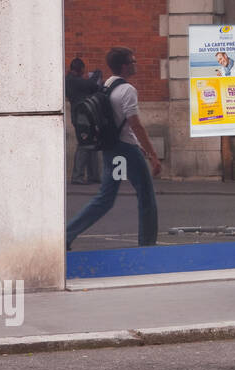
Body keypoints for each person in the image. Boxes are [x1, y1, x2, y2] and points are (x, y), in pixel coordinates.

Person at [65, 47, 162, 249]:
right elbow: (135, 124)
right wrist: (152, 155)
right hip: (127, 151)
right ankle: (147, 245)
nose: (136, 64)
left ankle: (67, 234)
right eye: (133, 61)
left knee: (106, 198)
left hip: (113, 149)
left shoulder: (108, 84)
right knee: (146, 196)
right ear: (125, 66)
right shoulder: (128, 90)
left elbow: (118, 122)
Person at [66, 57, 101, 184]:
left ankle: (94, 176)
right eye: (83, 70)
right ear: (80, 69)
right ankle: (77, 177)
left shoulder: (71, 80)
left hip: (84, 114)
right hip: (81, 115)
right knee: (85, 143)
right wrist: (97, 74)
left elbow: (90, 88)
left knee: (92, 143)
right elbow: (90, 85)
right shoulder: (72, 81)